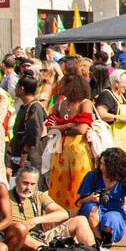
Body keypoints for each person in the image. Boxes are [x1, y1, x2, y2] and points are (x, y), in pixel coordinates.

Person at [9, 163, 95, 249]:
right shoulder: (6, 197)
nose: (28, 188)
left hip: (40, 237)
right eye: (25, 183)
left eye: (32, 184)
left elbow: (63, 214)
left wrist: (35, 220)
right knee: (20, 232)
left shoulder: (38, 196)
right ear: (16, 181)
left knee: (80, 220)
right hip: (19, 239)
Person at [45, 73, 96, 214]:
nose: (59, 86)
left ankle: (79, 217)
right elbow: (49, 127)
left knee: (79, 184)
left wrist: (60, 127)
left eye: (63, 84)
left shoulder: (85, 103)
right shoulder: (59, 104)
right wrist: (68, 126)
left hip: (76, 151)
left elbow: (81, 129)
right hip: (61, 151)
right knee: (60, 186)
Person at [75, 147, 126, 248]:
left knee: (112, 219)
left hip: (114, 210)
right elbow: (79, 203)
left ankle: (107, 240)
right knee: (90, 208)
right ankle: (100, 241)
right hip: (94, 212)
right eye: (100, 163)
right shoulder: (93, 175)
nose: (100, 167)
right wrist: (90, 198)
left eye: (103, 164)